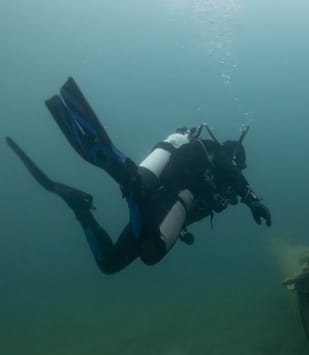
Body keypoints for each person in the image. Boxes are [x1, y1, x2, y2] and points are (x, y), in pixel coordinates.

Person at [6, 77, 271, 275]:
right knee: (151, 251)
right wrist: (251, 198)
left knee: (110, 263)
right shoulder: (222, 157)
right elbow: (228, 167)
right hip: (168, 199)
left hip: (154, 196)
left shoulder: (210, 159)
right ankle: (133, 189)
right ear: (238, 158)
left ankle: (86, 206)